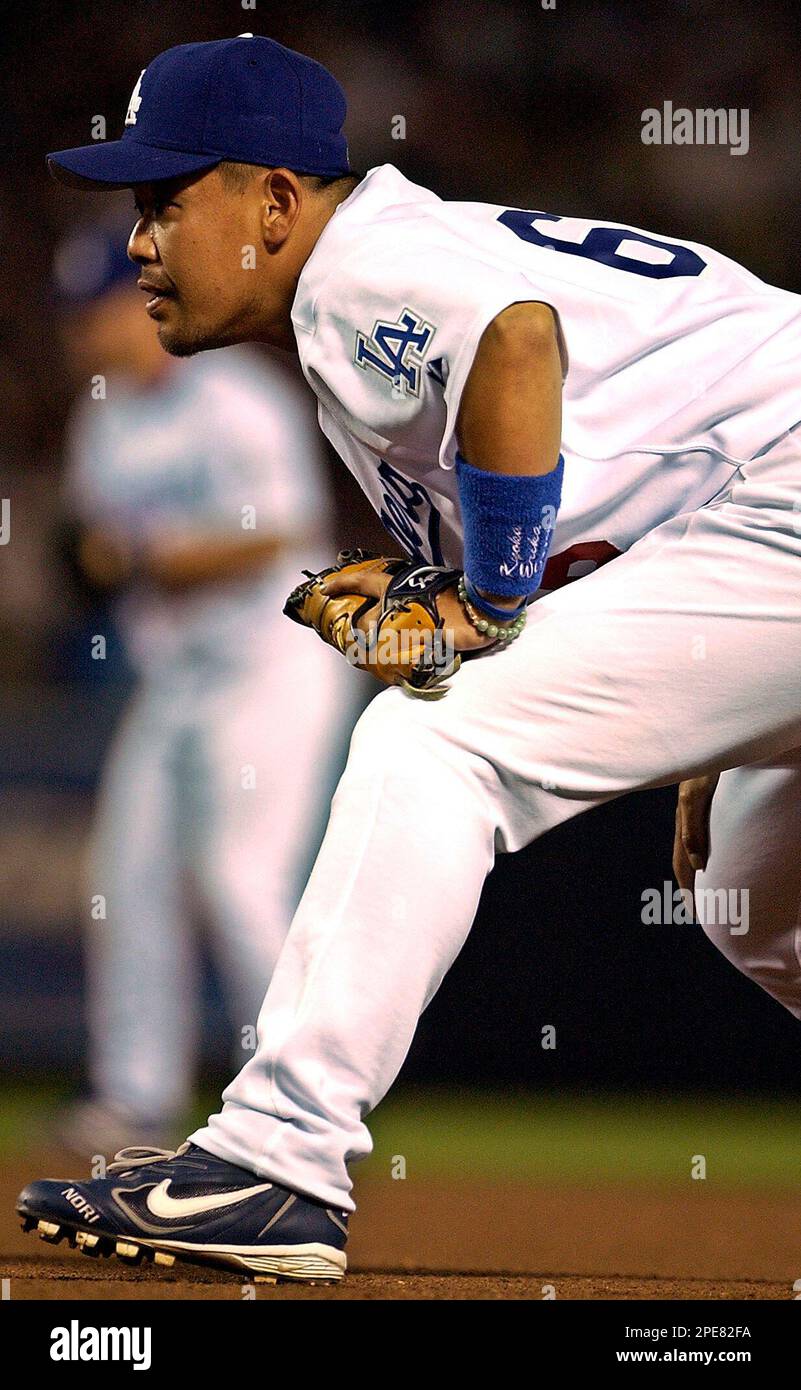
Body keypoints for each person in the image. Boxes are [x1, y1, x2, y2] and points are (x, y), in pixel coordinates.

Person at [19, 34, 801, 1285]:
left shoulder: (357, 271)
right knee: (755, 898)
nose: (141, 240)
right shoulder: (387, 275)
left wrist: (489, 596)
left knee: (437, 734)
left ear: (275, 202)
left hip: (787, 501)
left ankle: (276, 1158)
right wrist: (722, 696)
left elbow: (518, 341)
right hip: (762, 516)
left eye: (166, 199)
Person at [51, 217, 363, 1157]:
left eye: (98, 312)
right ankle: (135, 1095)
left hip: (272, 665)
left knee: (240, 878)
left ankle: (300, 1101)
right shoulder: (99, 419)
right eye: (73, 320)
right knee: (126, 875)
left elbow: (285, 532)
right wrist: (111, 560)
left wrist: (148, 556)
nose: (85, 336)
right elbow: (89, 553)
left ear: (143, 305)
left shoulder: (234, 395)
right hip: (176, 677)